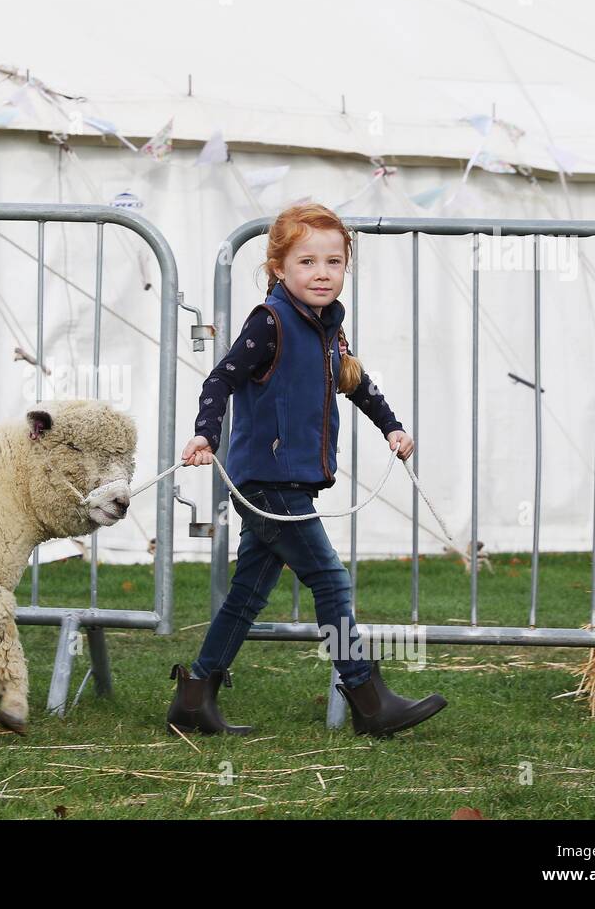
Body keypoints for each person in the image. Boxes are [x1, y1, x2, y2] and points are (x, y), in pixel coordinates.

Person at [166, 202, 447, 738]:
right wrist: (206, 433)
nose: (322, 273)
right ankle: (368, 699)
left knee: (248, 593)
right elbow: (219, 379)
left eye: (334, 262)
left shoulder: (328, 330)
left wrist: (392, 427)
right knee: (330, 580)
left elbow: (357, 383)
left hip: (292, 482)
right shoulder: (268, 323)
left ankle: (195, 696)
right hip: (269, 484)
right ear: (279, 268)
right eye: (307, 262)